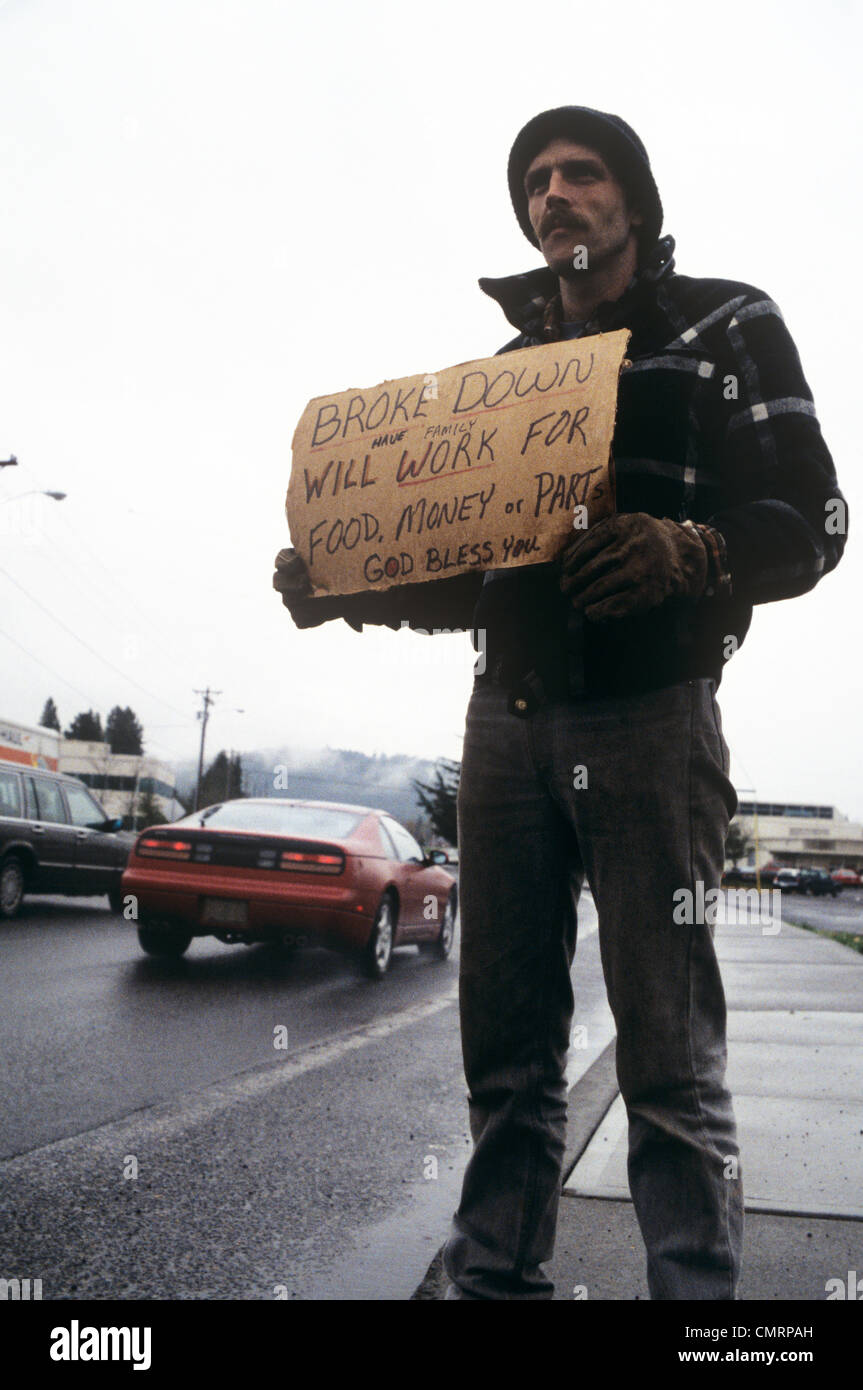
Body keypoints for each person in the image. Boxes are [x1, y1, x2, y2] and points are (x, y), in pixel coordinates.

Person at [273, 106, 847, 1300]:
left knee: (668, 1054)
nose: (554, 194)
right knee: (505, 1049)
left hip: (652, 716)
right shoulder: (501, 385)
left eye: (581, 174)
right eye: (534, 182)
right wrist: (346, 586)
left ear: (630, 203)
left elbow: (816, 520)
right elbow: (459, 580)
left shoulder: (728, 323)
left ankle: (698, 1307)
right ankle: (493, 1279)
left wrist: (690, 550)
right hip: (506, 724)